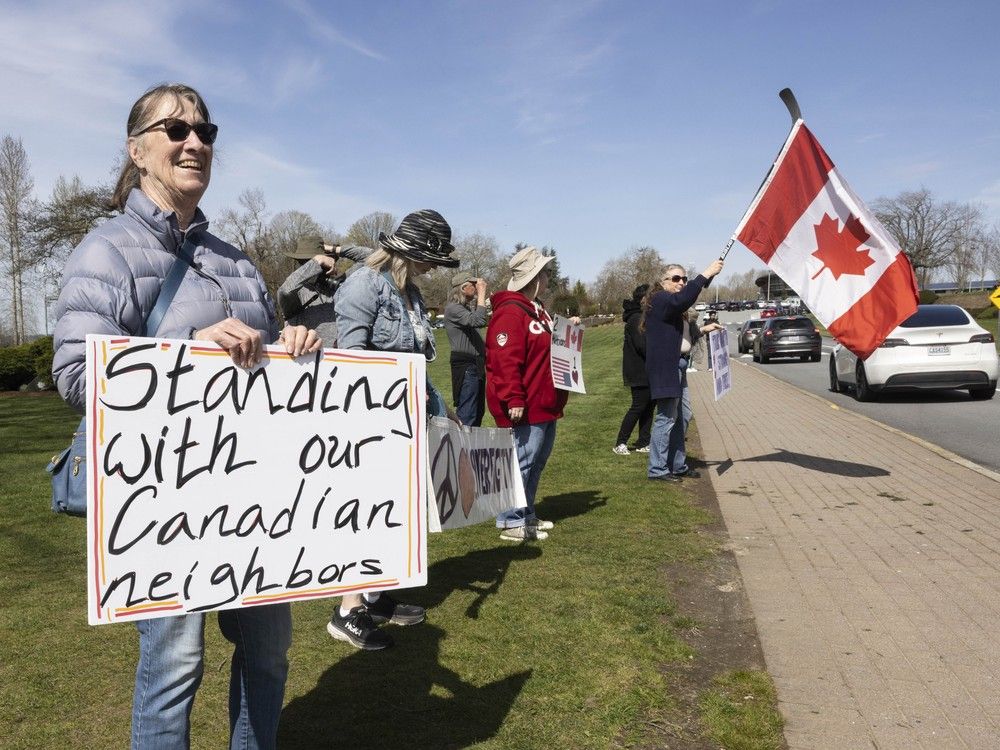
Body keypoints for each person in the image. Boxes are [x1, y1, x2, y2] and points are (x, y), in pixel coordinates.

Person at [51, 83, 322, 750]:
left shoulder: (236, 261)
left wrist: (295, 352)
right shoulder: (105, 254)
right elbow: (76, 374)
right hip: (162, 504)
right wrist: (181, 357)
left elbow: (262, 377)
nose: (195, 142)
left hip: (254, 499)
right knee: (175, 665)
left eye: (205, 131)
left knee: (269, 653)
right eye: (175, 130)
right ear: (137, 150)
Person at [329, 208, 459, 649]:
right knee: (364, 514)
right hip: (371, 422)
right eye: (429, 258)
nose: (433, 267)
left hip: (410, 419)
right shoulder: (363, 285)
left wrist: (443, 404)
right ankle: (347, 609)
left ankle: (376, 594)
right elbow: (352, 360)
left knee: (397, 515)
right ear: (409, 251)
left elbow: (415, 363)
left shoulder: (412, 294)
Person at [485, 246, 569, 541]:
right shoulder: (509, 312)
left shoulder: (538, 310)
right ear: (533, 277)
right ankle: (510, 522)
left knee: (536, 461)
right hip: (526, 404)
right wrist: (514, 398)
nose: (548, 277)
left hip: (544, 402)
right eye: (545, 273)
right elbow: (504, 359)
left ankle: (526, 514)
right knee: (522, 462)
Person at [641, 260, 723, 483]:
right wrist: (706, 273)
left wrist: (705, 329)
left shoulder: (674, 307)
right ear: (663, 282)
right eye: (675, 278)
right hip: (666, 368)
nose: (681, 283)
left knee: (683, 416)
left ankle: (677, 465)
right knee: (666, 417)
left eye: (684, 279)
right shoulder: (661, 300)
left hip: (679, 366)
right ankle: (657, 469)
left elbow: (682, 338)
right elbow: (684, 298)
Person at [276, 234, 372, 344]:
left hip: (338, 358)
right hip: (305, 357)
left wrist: (334, 249)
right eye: (306, 263)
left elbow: (371, 256)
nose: (316, 267)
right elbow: (284, 291)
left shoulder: (340, 285)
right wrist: (317, 261)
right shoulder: (297, 294)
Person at [444, 273, 488, 426]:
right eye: (473, 284)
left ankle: (470, 449)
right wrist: (482, 294)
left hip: (475, 365)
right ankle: (460, 448)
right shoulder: (453, 308)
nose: (477, 287)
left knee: (477, 413)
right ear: (463, 288)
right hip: (466, 366)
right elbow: (479, 320)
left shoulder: (462, 309)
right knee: (467, 414)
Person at [613, 284, 653, 455]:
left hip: (647, 369)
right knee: (638, 406)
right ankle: (620, 443)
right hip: (638, 370)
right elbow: (642, 345)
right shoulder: (636, 318)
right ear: (644, 299)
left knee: (649, 406)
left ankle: (643, 441)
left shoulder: (642, 317)